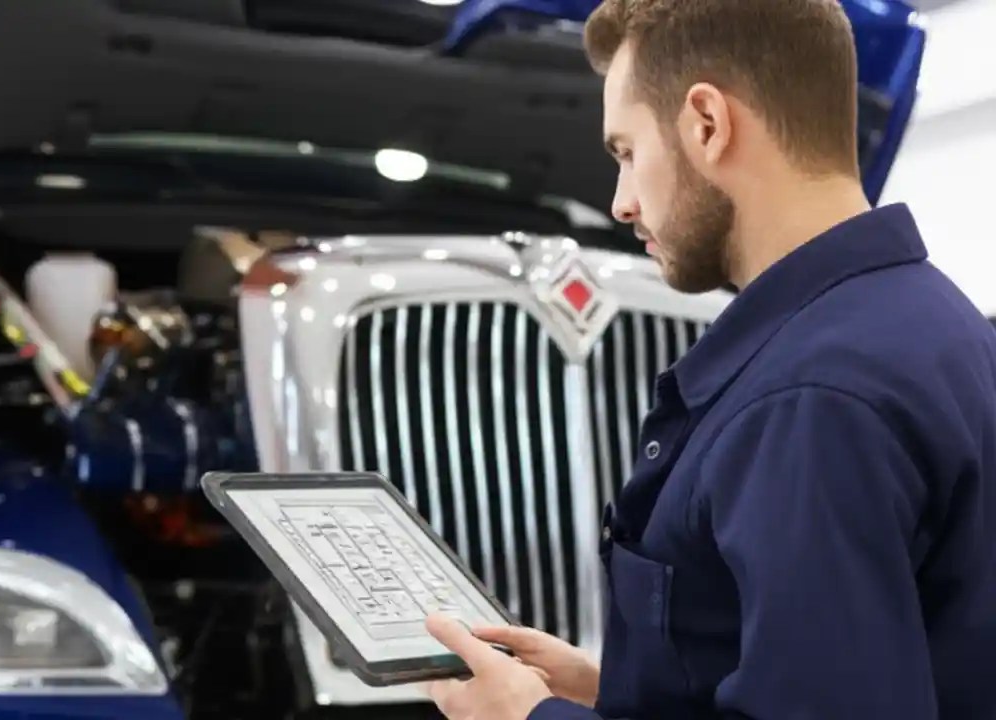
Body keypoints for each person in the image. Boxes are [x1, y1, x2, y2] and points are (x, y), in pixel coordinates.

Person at [423, 0, 996, 718]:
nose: (623, 202)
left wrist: (527, 718)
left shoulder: (809, 397)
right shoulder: (941, 325)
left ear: (706, 123)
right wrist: (610, 690)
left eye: (627, 152)